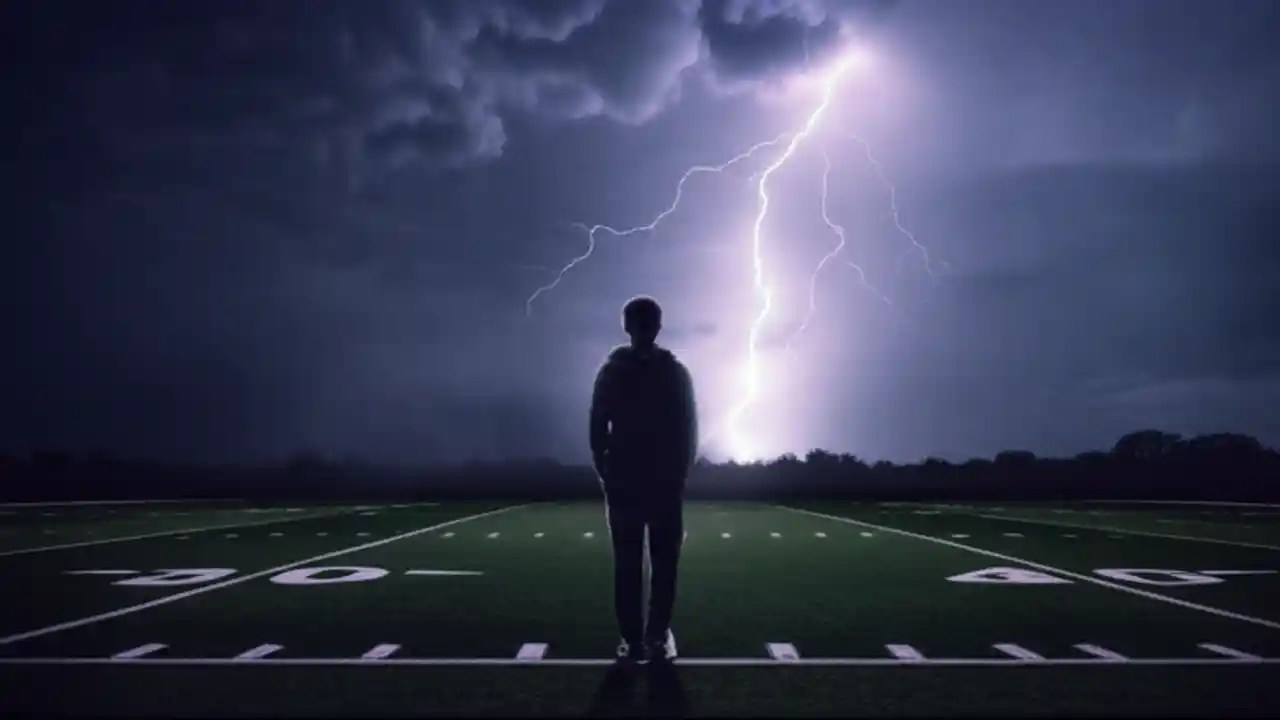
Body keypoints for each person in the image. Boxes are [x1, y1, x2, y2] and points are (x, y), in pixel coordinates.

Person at [590, 295, 698, 663]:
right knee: (664, 561)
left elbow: (596, 425)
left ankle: (632, 638)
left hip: (625, 478)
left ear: (627, 326)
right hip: (663, 479)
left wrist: (605, 469)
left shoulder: (612, 369)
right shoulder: (674, 370)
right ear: (658, 326)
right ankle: (656, 635)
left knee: (627, 561)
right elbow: (689, 427)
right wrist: (681, 471)